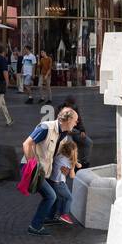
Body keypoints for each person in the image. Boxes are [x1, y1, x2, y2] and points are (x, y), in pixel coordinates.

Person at [21, 107, 80, 235]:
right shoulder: (45, 128)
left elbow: (57, 155)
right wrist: (32, 165)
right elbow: (27, 144)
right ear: (68, 119)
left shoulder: (64, 135)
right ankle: (34, 227)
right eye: (75, 120)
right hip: (34, 169)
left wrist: (65, 167)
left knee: (55, 192)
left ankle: (49, 217)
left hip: (45, 170)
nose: (76, 123)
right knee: (50, 196)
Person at [49, 136, 79, 226]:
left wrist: (76, 163)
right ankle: (64, 215)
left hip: (52, 181)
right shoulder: (67, 162)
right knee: (69, 198)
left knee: (59, 199)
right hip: (59, 183)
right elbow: (72, 176)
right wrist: (73, 166)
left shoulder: (59, 156)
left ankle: (54, 216)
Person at [59, 94, 93, 167]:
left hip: (75, 130)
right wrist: (66, 130)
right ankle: (72, 165)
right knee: (71, 144)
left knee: (88, 142)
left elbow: (79, 120)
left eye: (73, 104)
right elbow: (58, 123)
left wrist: (82, 131)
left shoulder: (75, 108)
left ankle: (85, 163)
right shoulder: (59, 108)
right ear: (66, 103)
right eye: (70, 104)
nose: (72, 106)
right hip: (65, 132)